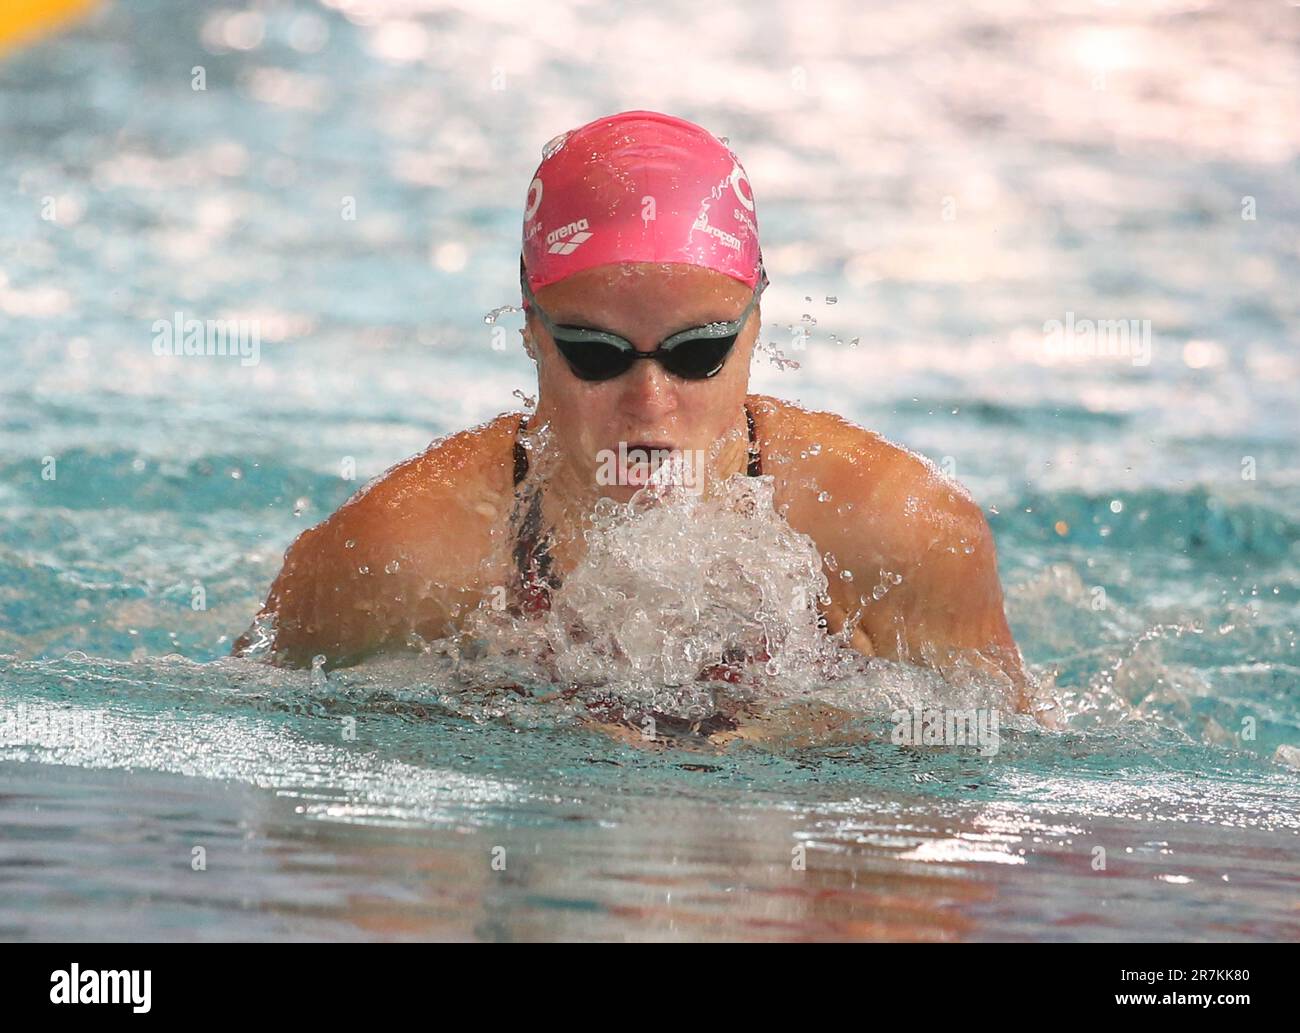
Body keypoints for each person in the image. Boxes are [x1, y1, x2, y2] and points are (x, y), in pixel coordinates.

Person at [233, 109, 1030, 712]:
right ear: (529, 325)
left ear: (757, 323)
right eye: (597, 354)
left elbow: (997, 778)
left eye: (696, 354)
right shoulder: (401, 555)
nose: (649, 405)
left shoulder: (900, 534)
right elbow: (246, 734)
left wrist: (817, 734)